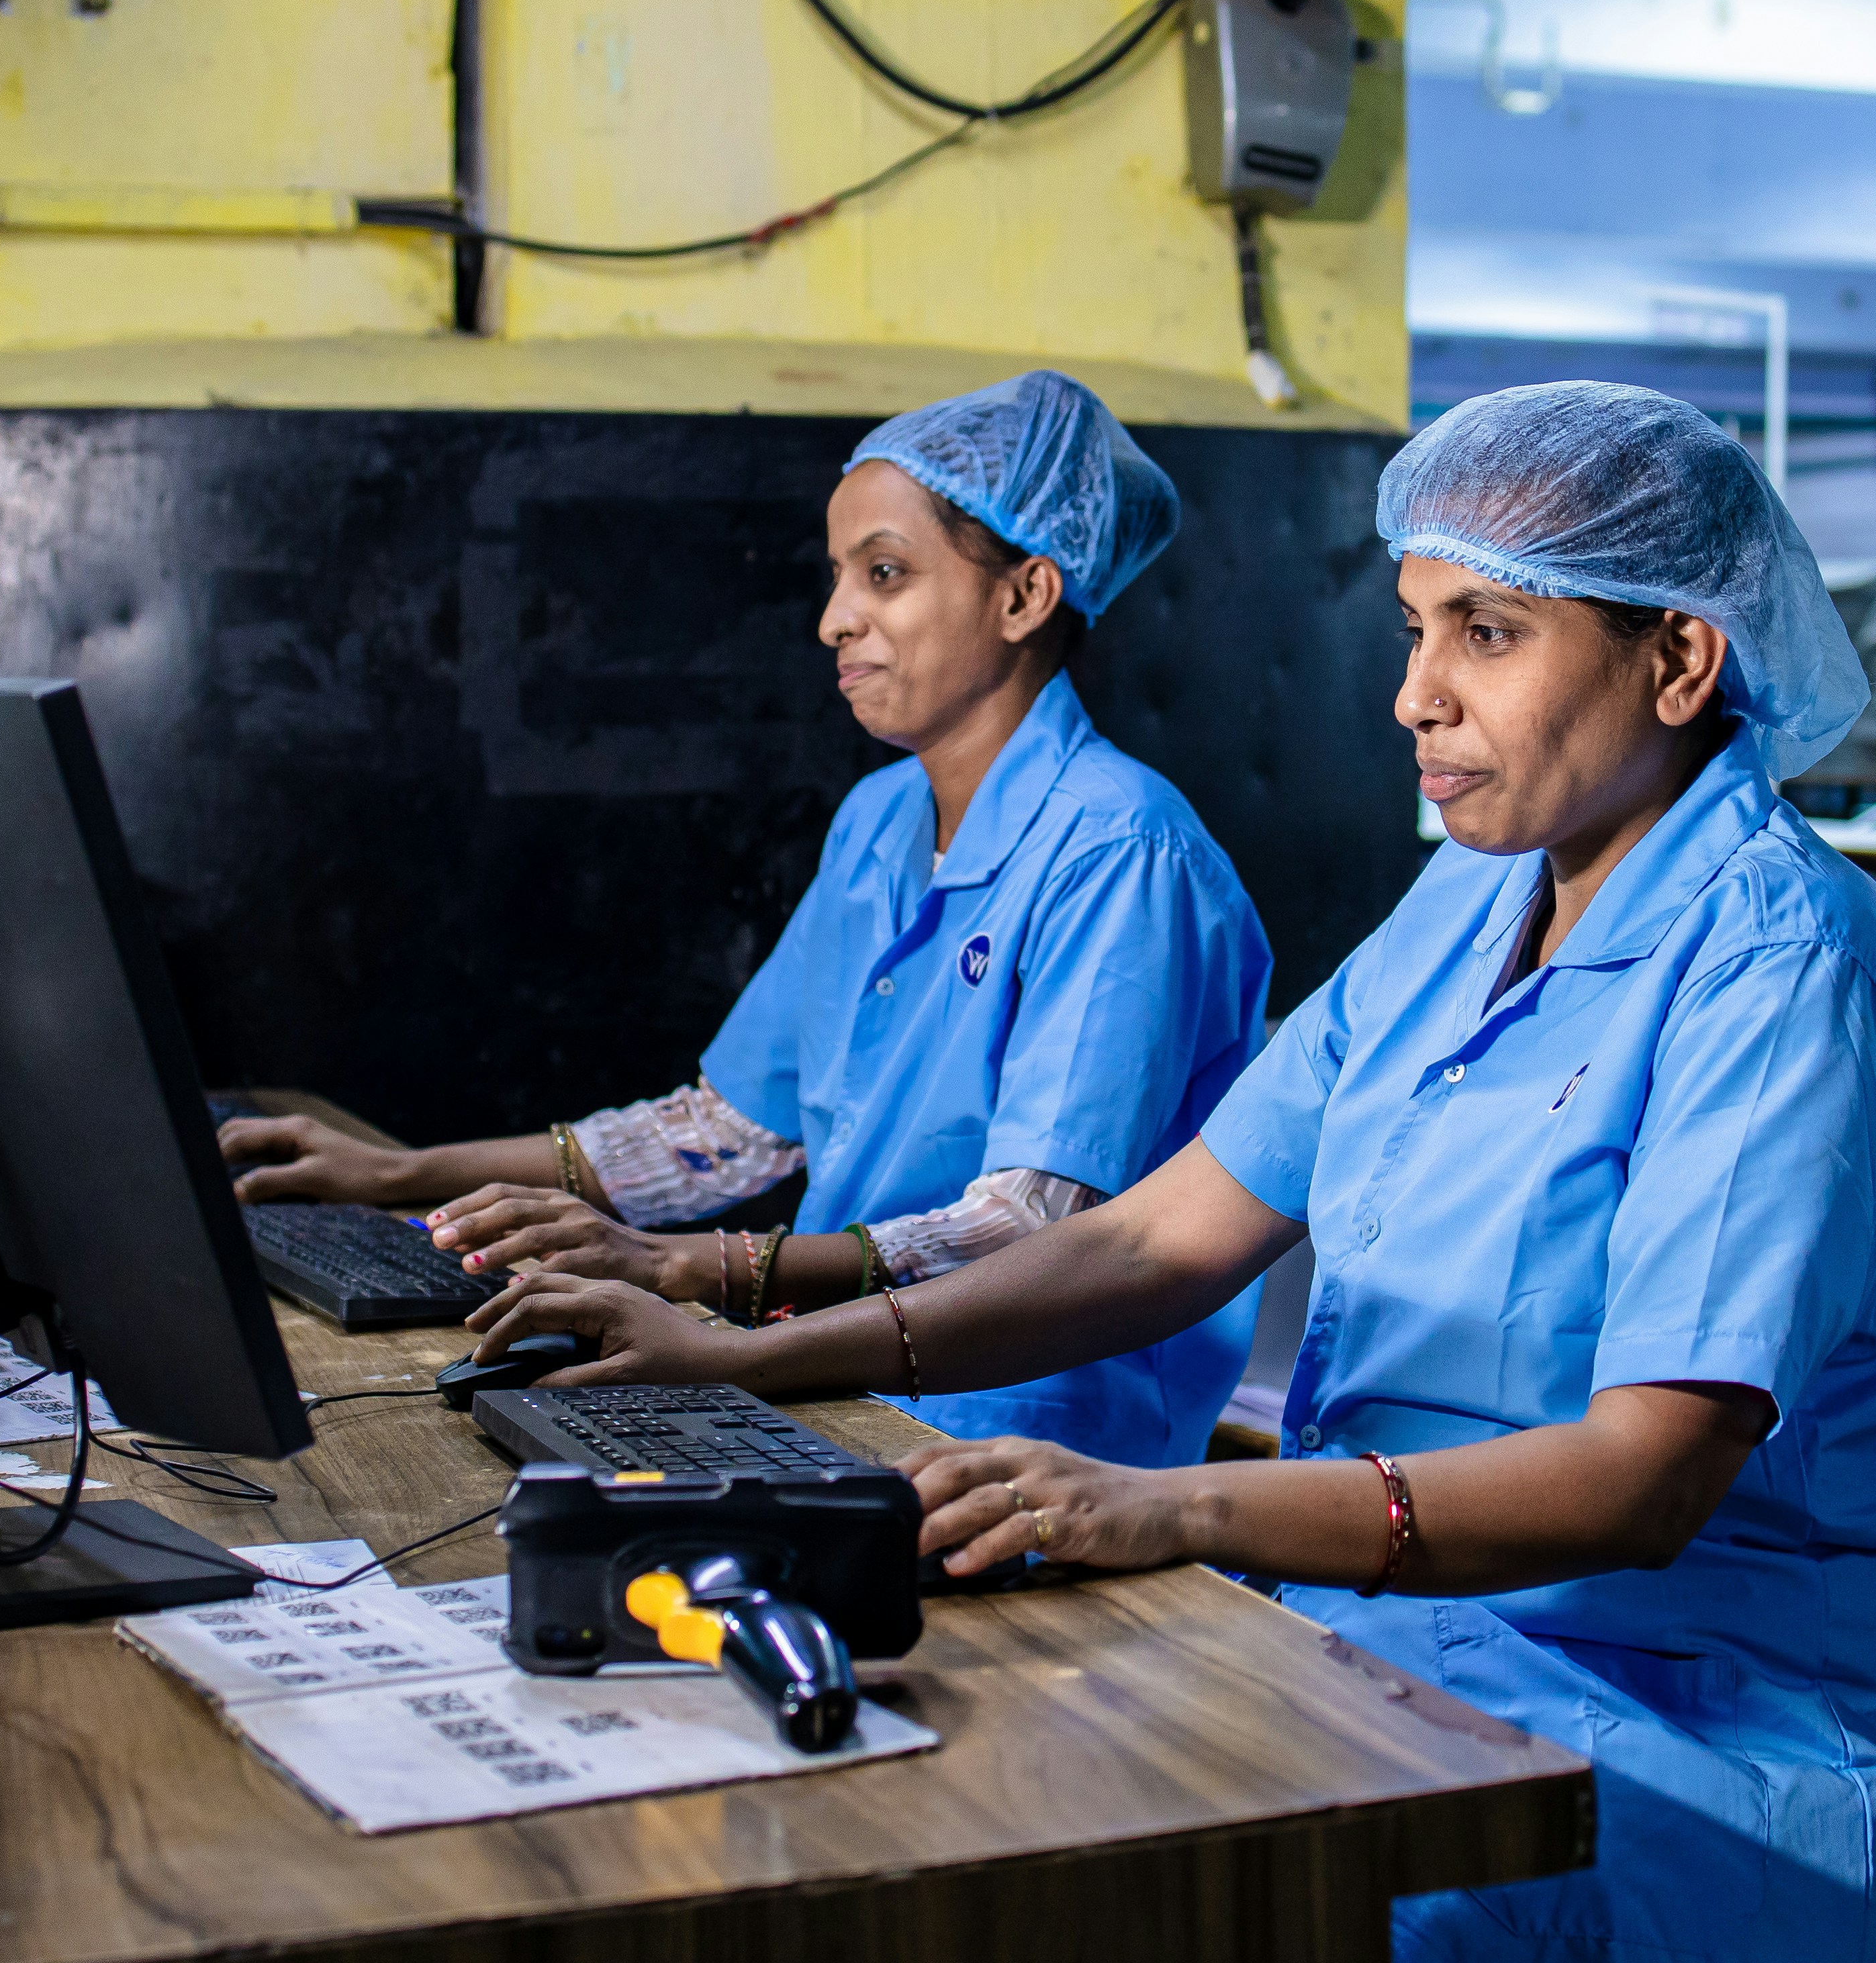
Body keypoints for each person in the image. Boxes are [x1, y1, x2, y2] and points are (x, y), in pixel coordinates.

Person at [461, 381, 1876, 1963]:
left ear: (1683, 662)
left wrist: (1172, 1505)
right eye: (1417, 628)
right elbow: (1147, 1239)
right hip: (1387, 1637)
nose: (1417, 694)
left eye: (1487, 632)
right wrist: (745, 1354)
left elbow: (1640, 1482)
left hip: (1707, 1733)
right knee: (967, 1852)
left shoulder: (1786, 972)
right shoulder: (1471, 900)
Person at [224, 370, 1274, 1469]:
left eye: (885, 574)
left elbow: (1029, 1226)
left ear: (1024, 596)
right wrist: (391, 1176)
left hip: (1031, 1438)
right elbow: (727, 1134)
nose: (834, 621)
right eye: (837, 579)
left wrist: (698, 1270)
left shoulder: (1125, 856)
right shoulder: (881, 822)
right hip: (839, 1374)